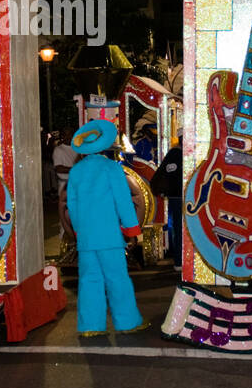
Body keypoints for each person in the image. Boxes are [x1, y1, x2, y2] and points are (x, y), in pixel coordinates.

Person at [66, 119, 147, 337]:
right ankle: (127, 322)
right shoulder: (112, 169)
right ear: (104, 145)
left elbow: (71, 207)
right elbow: (124, 202)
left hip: (86, 239)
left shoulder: (75, 172)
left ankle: (90, 326)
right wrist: (133, 230)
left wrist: (78, 232)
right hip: (110, 237)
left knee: (89, 281)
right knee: (117, 279)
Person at [151, 137, 183, 270]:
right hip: (184, 196)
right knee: (183, 229)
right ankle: (181, 260)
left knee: (177, 228)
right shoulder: (181, 153)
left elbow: (164, 172)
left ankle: (179, 261)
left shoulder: (173, 153)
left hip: (175, 196)